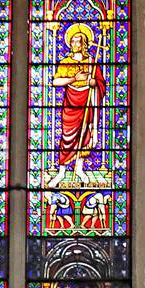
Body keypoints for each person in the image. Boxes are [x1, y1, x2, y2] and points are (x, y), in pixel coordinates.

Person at [48, 24, 105, 187]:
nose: (74, 44)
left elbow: (101, 84)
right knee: (67, 136)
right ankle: (61, 171)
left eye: (78, 41)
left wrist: (94, 83)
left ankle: (79, 169)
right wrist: (74, 79)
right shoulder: (65, 62)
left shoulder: (92, 62)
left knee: (84, 136)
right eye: (72, 41)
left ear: (84, 44)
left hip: (86, 101)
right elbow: (55, 81)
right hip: (71, 102)